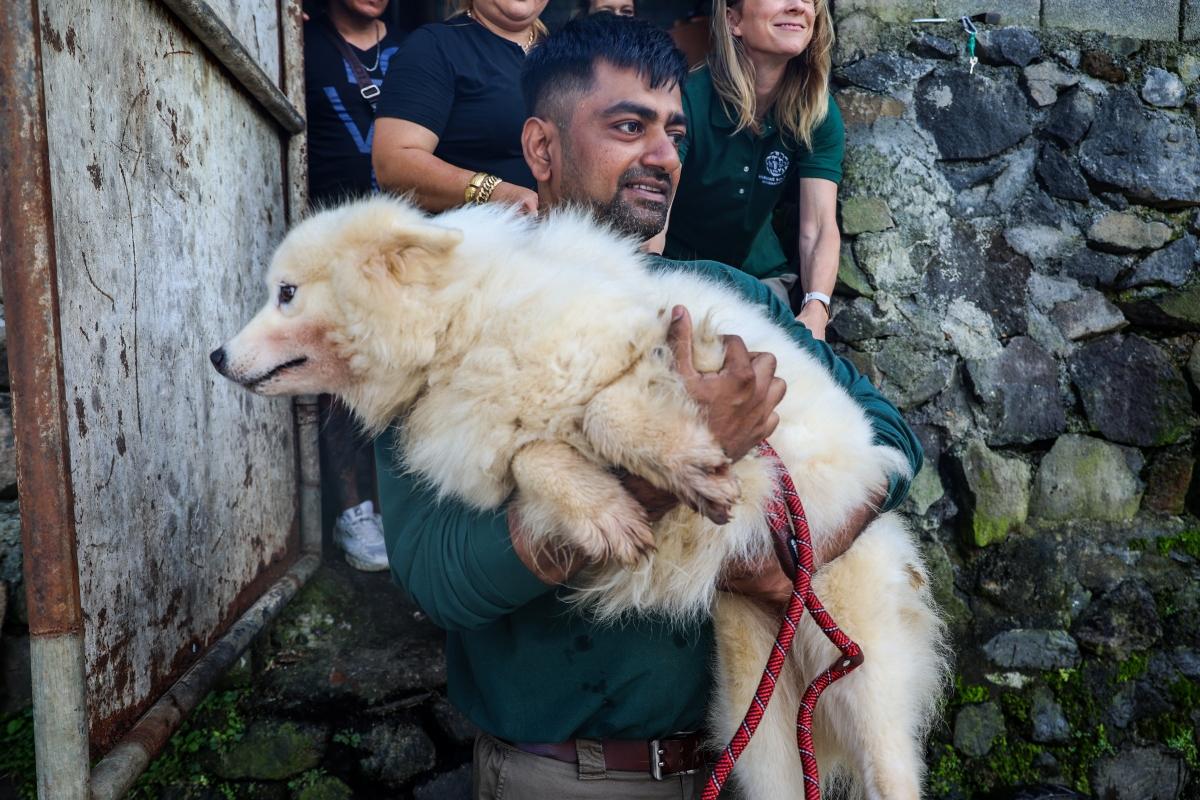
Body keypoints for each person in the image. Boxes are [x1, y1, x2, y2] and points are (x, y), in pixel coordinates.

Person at [375, 15, 921, 798]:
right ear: (541, 149)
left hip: (748, 763)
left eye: (673, 131)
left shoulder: (722, 293)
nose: (663, 155)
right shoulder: (451, 323)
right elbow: (440, 581)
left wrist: (790, 565)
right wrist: (674, 467)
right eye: (629, 127)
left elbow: (891, 434)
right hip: (572, 778)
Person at [663, 0, 842, 341]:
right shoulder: (686, 101)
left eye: (809, 0)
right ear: (734, 20)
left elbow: (819, 226)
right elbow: (657, 214)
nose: (798, 6)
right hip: (680, 274)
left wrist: (816, 309)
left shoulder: (816, 110)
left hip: (761, 279)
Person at [305, 0, 406, 571]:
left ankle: (400, 506)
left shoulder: (416, 46)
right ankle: (353, 511)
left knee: (401, 368)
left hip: (401, 238)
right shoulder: (302, 47)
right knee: (338, 371)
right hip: (329, 237)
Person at [370, 0, 549, 213]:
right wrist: (492, 192)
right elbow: (393, 164)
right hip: (469, 231)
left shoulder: (566, 51)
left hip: (562, 230)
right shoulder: (433, 46)